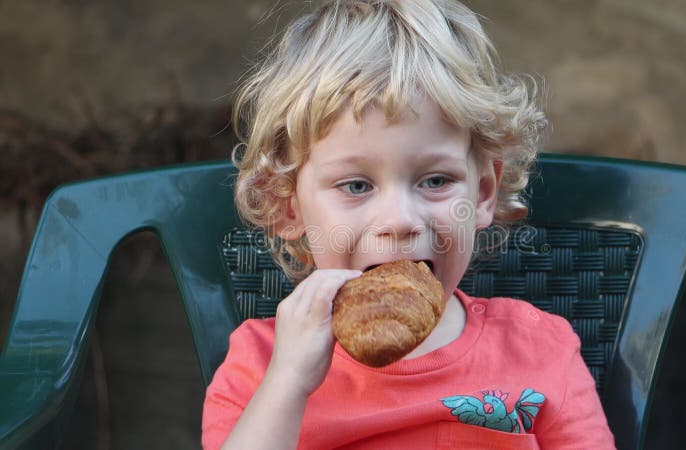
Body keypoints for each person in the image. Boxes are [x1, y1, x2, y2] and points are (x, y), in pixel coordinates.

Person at [202, 0, 615, 448]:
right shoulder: (262, 367)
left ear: (481, 193)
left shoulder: (540, 349)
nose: (399, 221)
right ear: (289, 209)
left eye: (436, 180)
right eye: (356, 186)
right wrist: (288, 386)